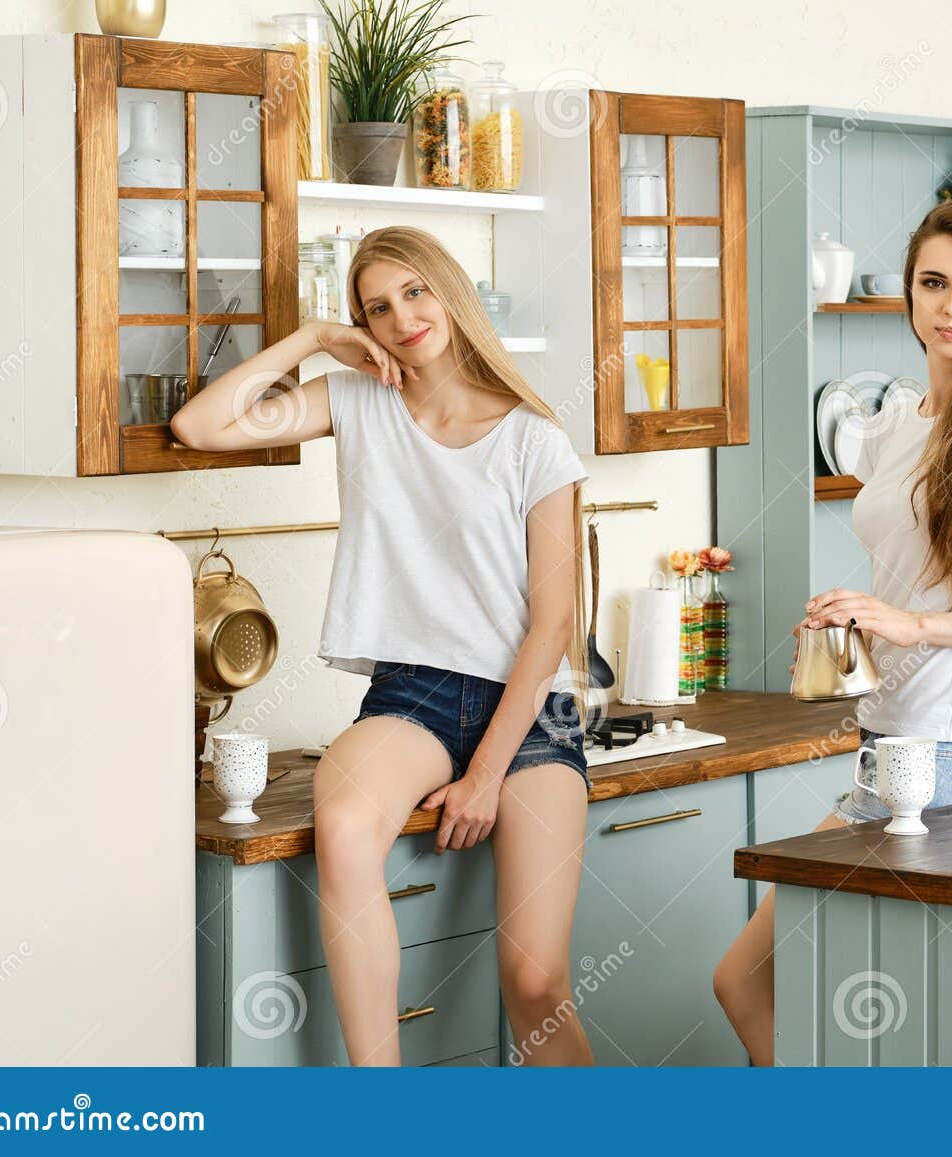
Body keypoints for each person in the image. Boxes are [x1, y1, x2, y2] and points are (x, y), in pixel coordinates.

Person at [172, 225, 595, 1066]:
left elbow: (553, 626)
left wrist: (483, 776)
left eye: (414, 291)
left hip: (530, 712)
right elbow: (199, 425)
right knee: (344, 821)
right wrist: (316, 338)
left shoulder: (535, 441)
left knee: (536, 981)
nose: (401, 317)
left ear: (449, 291)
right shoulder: (356, 400)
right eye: (375, 305)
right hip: (415, 698)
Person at [712, 198, 952, 1065]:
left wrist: (916, 622)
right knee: (749, 981)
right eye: (933, 282)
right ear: (910, 297)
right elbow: (904, 568)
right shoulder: (896, 423)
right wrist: (850, 617)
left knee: (900, 1022)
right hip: (881, 744)